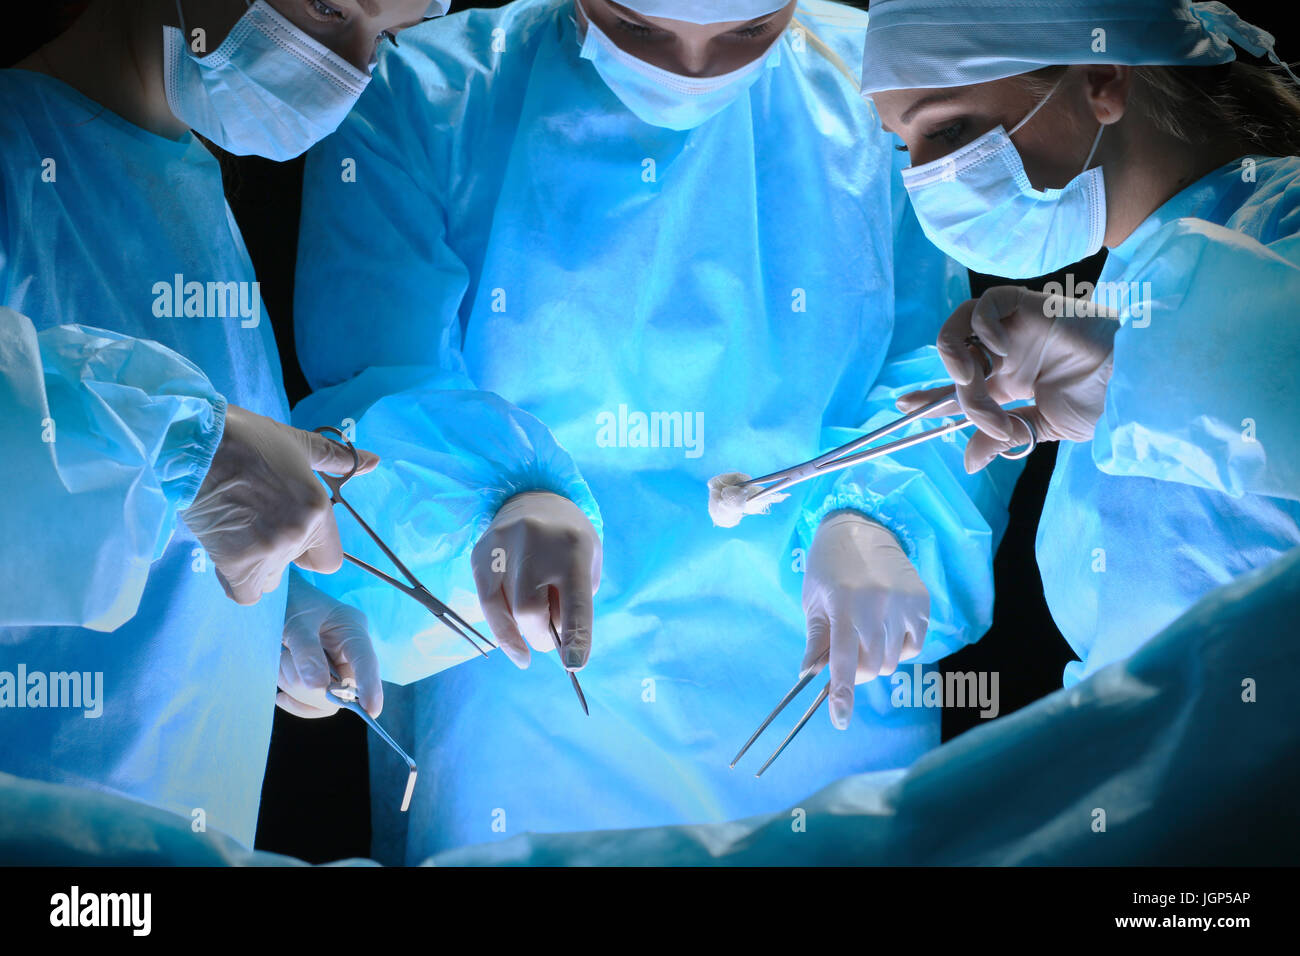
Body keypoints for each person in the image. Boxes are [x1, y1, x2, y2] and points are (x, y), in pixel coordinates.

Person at [293, 0, 1024, 861]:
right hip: (530, 730)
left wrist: (880, 518)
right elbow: (372, 391)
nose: (693, 70)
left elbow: (940, 370)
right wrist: (489, 509)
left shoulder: (883, 88)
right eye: (639, 28)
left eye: (747, 32)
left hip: (822, 712)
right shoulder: (423, 94)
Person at [0, 0, 442, 846]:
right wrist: (173, 449)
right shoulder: (19, 153)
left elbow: (142, 533)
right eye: (330, 5)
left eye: (383, 37)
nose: (349, 69)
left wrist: (267, 621)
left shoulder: (192, 185)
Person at [860, 0, 1300, 686]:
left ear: (1101, 75)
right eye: (903, 148)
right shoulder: (1132, 290)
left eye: (947, 130)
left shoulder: (1280, 223)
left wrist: (1136, 360)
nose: (925, 181)